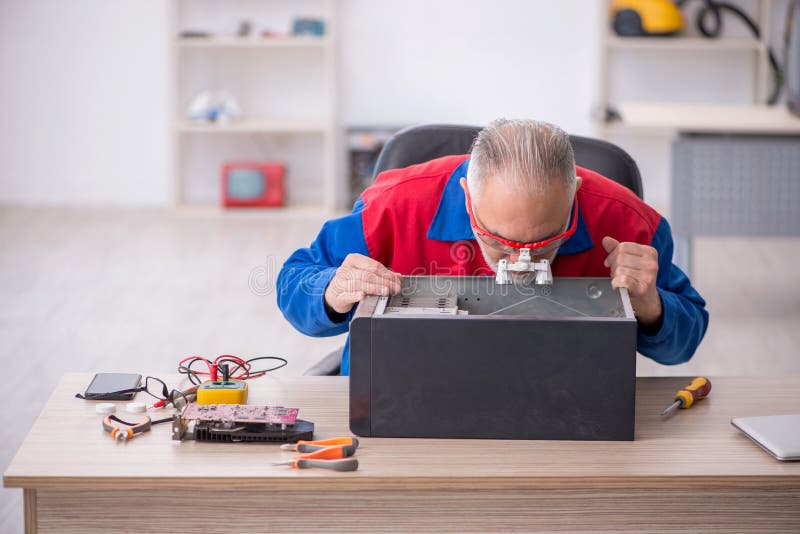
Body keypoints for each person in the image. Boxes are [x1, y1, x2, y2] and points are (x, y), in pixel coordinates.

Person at [277, 119, 709, 375]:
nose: (522, 262)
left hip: (562, 407)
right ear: (466, 197)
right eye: (499, 243)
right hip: (407, 402)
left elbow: (683, 343)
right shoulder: (396, 206)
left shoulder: (628, 222)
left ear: (574, 193)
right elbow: (294, 281)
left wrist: (652, 306)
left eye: (544, 243)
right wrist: (332, 290)